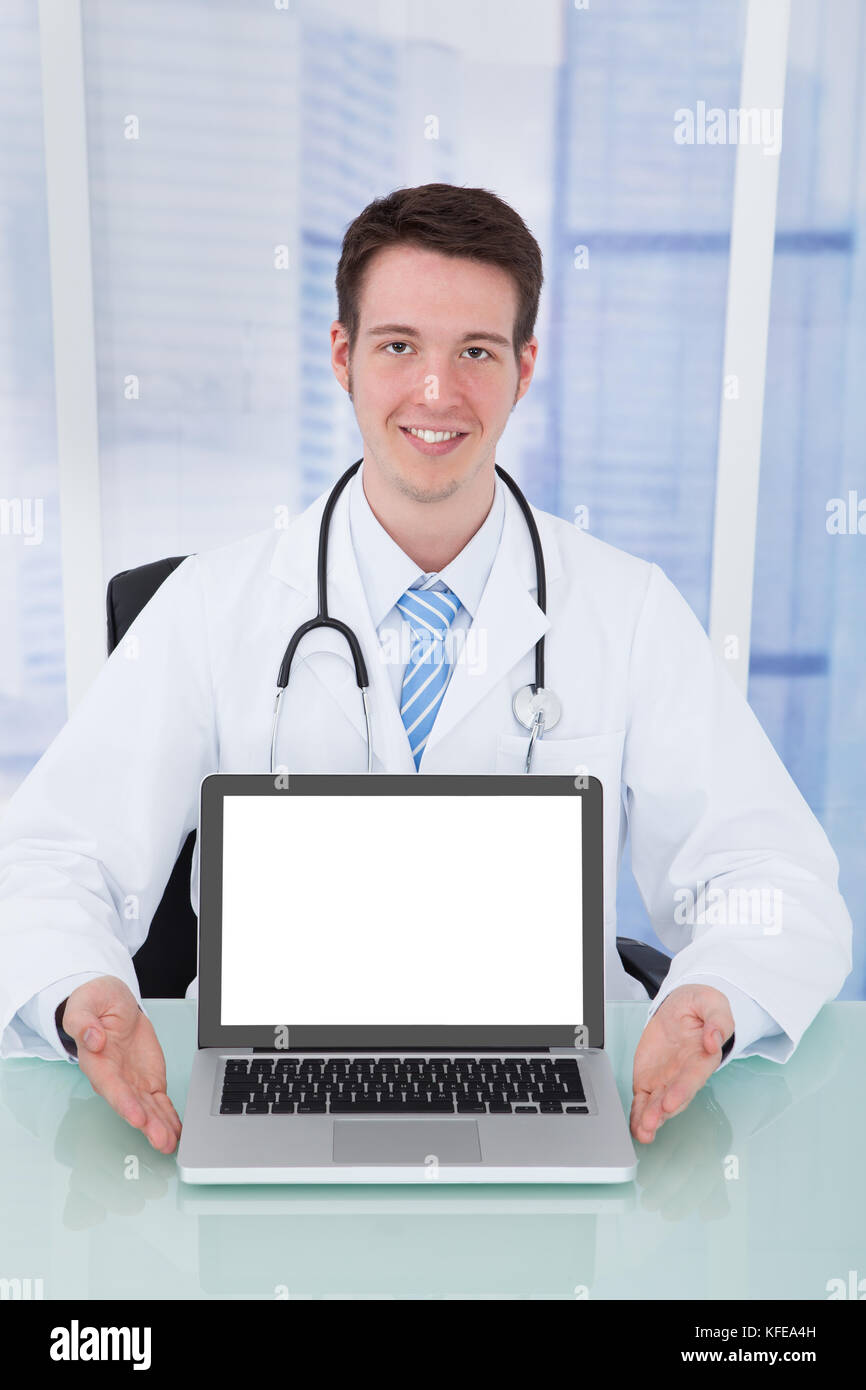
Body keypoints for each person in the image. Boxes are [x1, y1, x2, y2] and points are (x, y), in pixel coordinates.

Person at [0, 183, 852, 1157]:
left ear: (525, 368)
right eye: (399, 345)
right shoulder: (207, 606)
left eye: (476, 352)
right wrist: (81, 988)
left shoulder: (627, 609)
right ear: (343, 357)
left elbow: (768, 873)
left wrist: (715, 994)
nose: (437, 393)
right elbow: (52, 859)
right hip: (265, 1073)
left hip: (558, 1076)